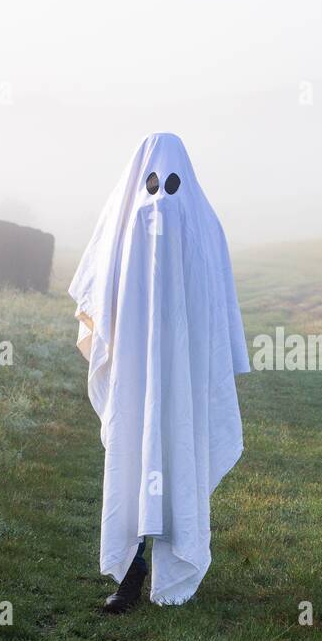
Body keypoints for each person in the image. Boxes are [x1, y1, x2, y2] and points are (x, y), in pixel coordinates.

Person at [68, 133, 250, 613]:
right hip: (135, 372)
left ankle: (176, 560)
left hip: (183, 378)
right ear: (136, 181)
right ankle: (132, 571)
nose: (160, 196)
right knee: (136, 457)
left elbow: (216, 307)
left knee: (176, 455)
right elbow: (99, 296)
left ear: (185, 181)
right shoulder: (122, 227)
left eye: (171, 184)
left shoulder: (203, 227)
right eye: (151, 183)